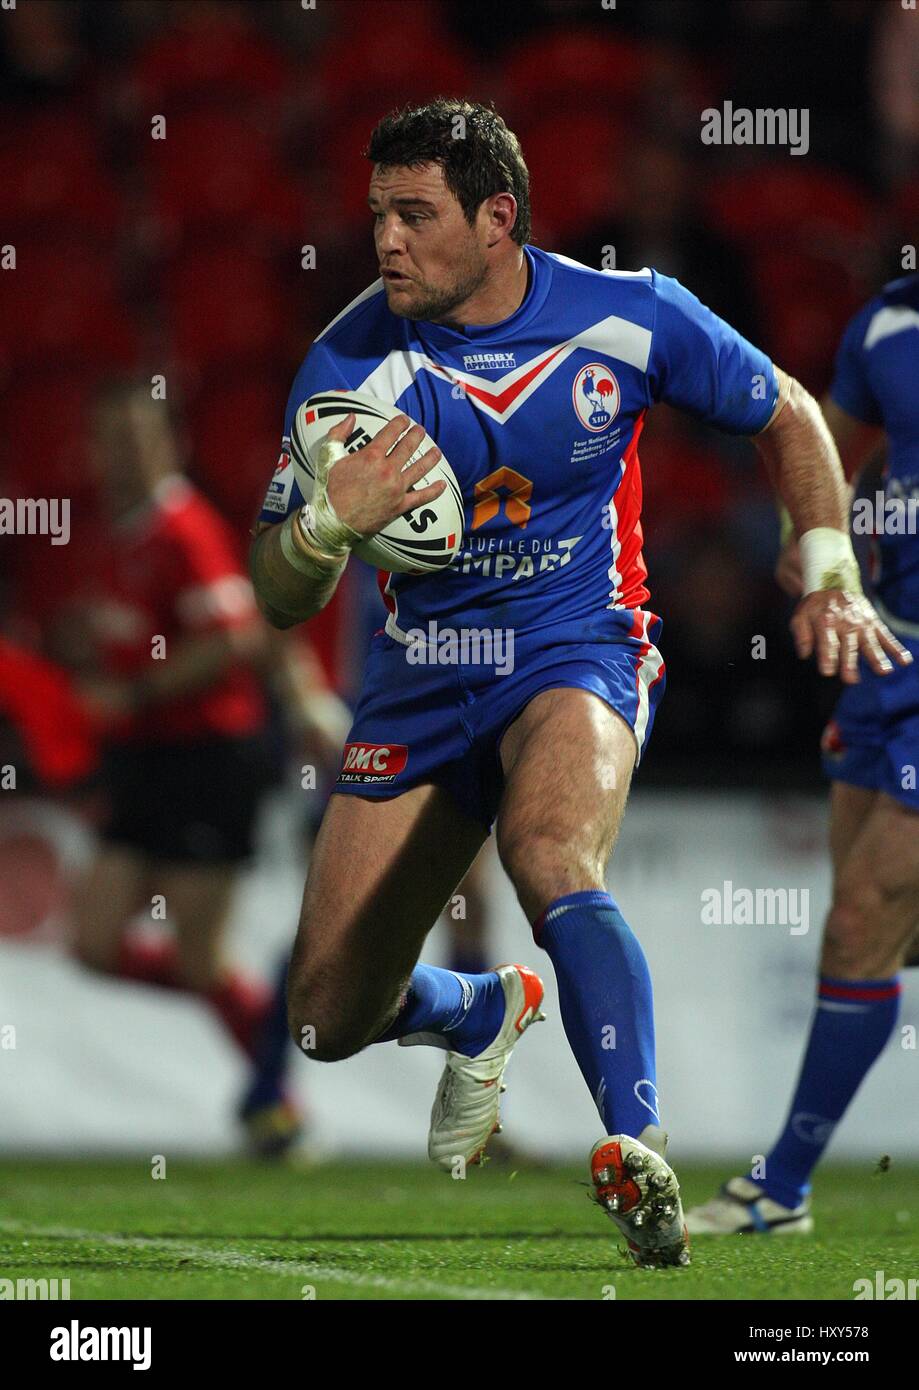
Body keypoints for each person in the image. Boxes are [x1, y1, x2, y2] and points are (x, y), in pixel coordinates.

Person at [249, 100, 907, 1267]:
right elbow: (278, 594)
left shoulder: (628, 315)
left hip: (578, 643)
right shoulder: (350, 364)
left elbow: (789, 415)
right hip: (420, 679)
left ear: (497, 219)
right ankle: (478, 1006)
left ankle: (636, 1146)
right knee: (322, 1015)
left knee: (550, 851)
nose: (386, 242)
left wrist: (827, 568)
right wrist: (320, 531)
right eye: (375, 217)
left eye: (415, 215)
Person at [688, 272, 919, 1236]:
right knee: (876, 930)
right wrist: (806, 532)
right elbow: (817, 439)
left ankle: (779, 1187)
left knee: (864, 918)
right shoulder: (890, 320)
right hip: (885, 651)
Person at [61, 379, 299, 1152]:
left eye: (140, 437)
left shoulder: (184, 528)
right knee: (94, 943)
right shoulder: (116, 531)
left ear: (172, 446)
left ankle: (275, 1099)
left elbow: (234, 641)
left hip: (208, 759)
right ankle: (259, 1021)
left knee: (199, 955)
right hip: (147, 760)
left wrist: (131, 692)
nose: (125, 454)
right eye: (113, 439)